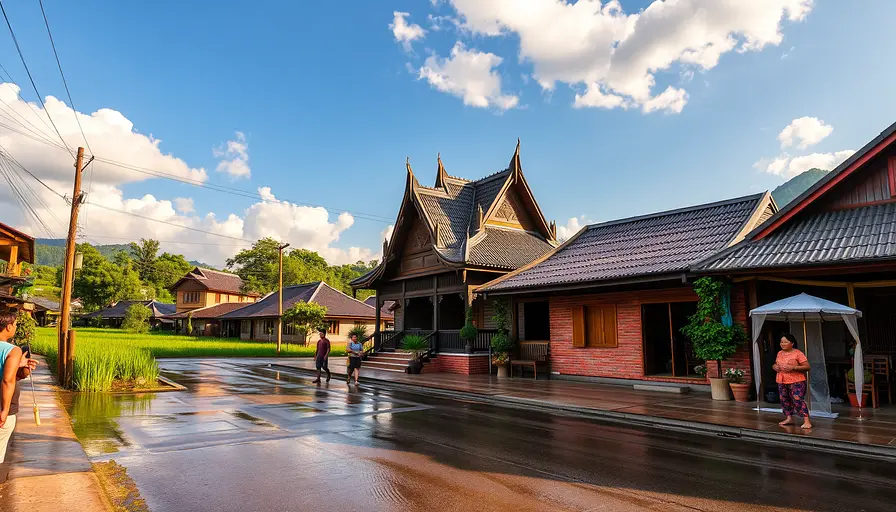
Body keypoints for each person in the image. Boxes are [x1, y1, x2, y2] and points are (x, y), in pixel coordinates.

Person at [0, 310, 37, 462]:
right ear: (8, 327)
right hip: (3, 410)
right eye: (15, 324)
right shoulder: (12, 350)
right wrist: (4, 410)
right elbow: (8, 380)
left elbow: (13, 375)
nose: (15, 327)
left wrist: (22, 369)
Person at [773, 333, 812, 429]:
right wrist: (775, 367)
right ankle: (789, 417)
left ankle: (807, 421)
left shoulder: (798, 353)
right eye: (781, 342)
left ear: (792, 343)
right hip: (781, 380)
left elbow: (807, 367)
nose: (783, 344)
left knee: (798, 399)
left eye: (785, 342)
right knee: (784, 399)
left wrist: (793, 367)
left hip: (796, 380)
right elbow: (774, 364)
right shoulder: (779, 353)